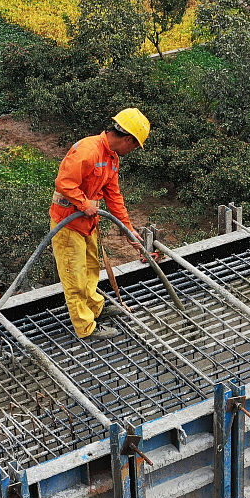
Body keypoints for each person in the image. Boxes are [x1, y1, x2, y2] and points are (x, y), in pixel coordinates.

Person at [51, 107, 150, 340]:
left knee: (91, 269)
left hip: (88, 223)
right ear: (127, 139)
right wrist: (84, 203)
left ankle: (96, 307)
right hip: (68, 224)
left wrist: (127, 229)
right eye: (134, 146)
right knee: (74, 276)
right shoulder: (88, 150)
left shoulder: (111, 158)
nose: (132, 151)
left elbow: (113, 195)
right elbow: (63, 182)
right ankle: (85, 327)